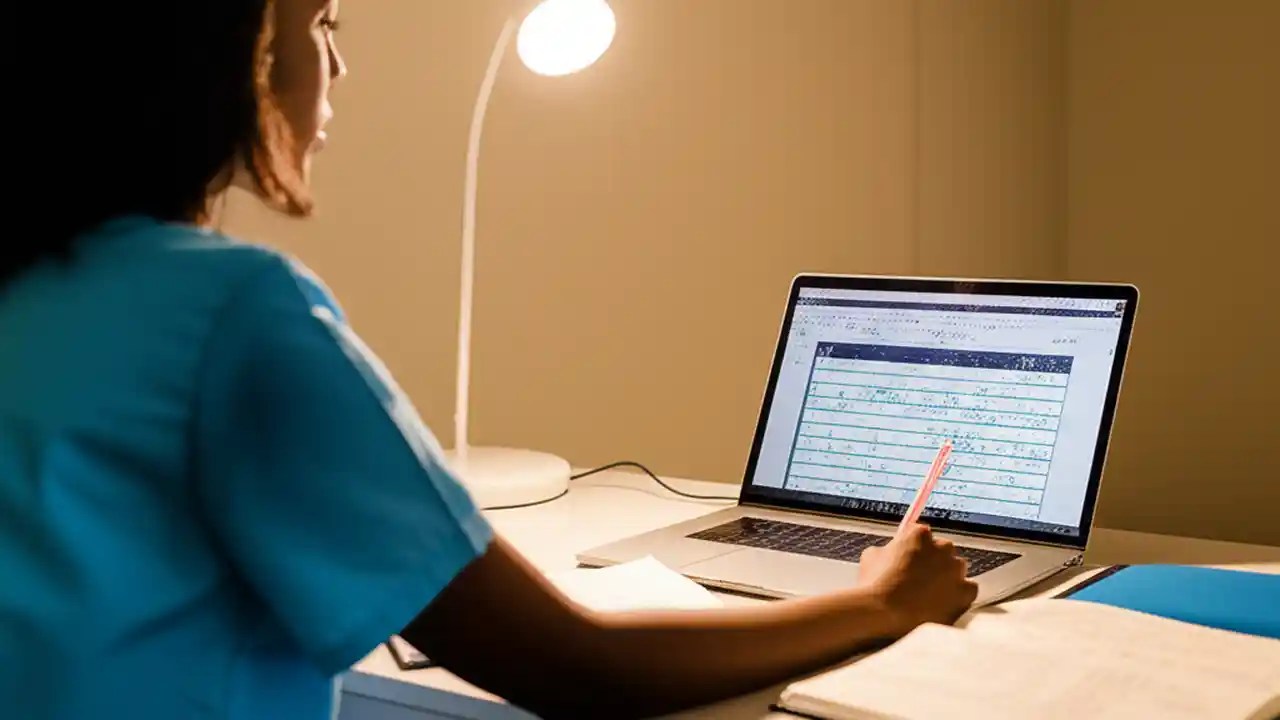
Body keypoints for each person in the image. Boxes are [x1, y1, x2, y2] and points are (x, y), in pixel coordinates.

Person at [0, 2, 978, 718]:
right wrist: (880, 601)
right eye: (324, 25)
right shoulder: (228, 310)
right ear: (234, 50)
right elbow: (577, 668)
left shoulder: (35, 293)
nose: (339, 68)